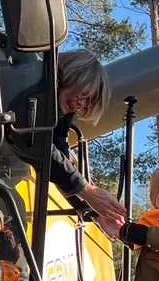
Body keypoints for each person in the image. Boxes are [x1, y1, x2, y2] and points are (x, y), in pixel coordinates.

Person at [48, 49, 126, 237]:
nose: (80, 104)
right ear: (68, 76)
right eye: (82, 94)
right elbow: (36, 143)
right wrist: (87, 190)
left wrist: (94, 212)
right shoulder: (26, 97)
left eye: (87, 100)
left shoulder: (60, 120)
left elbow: (60, 161)